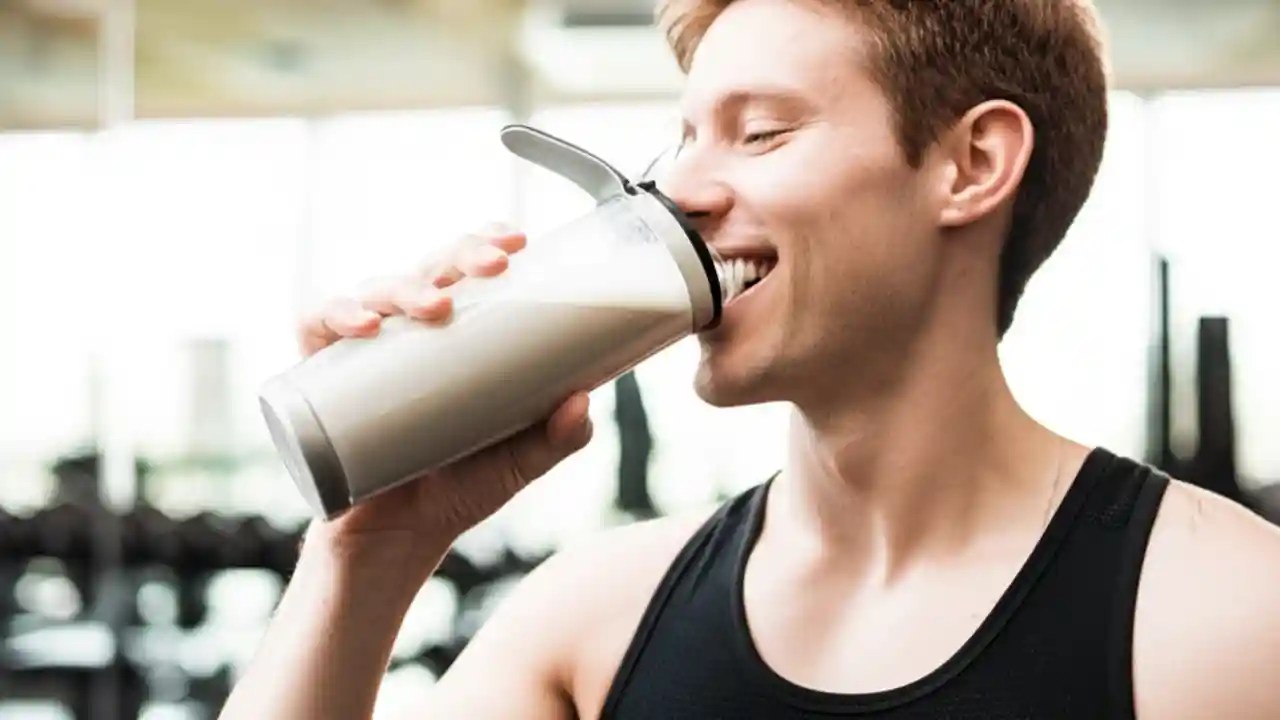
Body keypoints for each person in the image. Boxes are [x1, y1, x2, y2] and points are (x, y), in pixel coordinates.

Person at [220, 1, 1280, 718]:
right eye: (681, 140)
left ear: (969, 164)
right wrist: (366, 555)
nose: (678, 194)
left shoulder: (1222, 616)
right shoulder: (588, 621)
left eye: (760, 132)